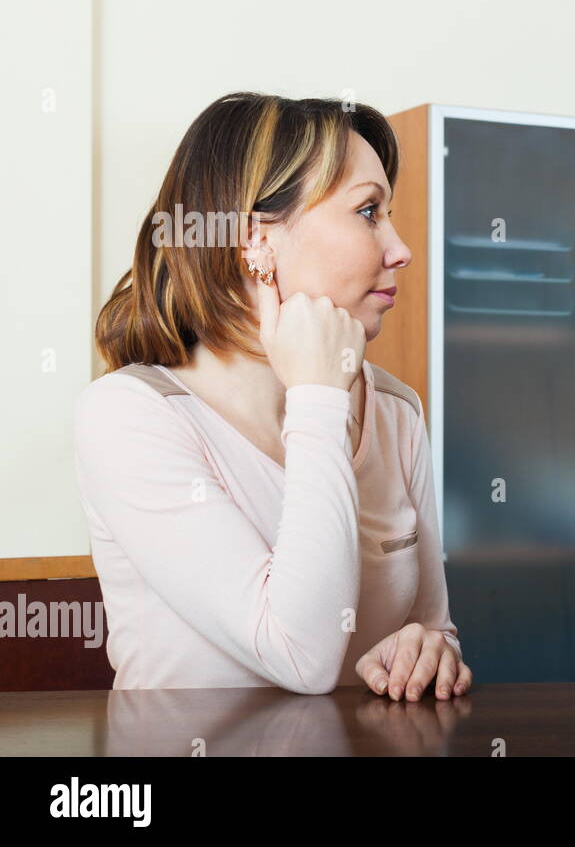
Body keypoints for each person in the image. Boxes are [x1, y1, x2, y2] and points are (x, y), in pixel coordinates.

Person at [74, 92, 471, 699]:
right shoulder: (127, 416)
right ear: (256, 243)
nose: (400, 249)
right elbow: (298, 655)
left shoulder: (395, 409)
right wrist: (316, 396)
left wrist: (428, 651)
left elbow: (434, 628)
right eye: (368, 212)